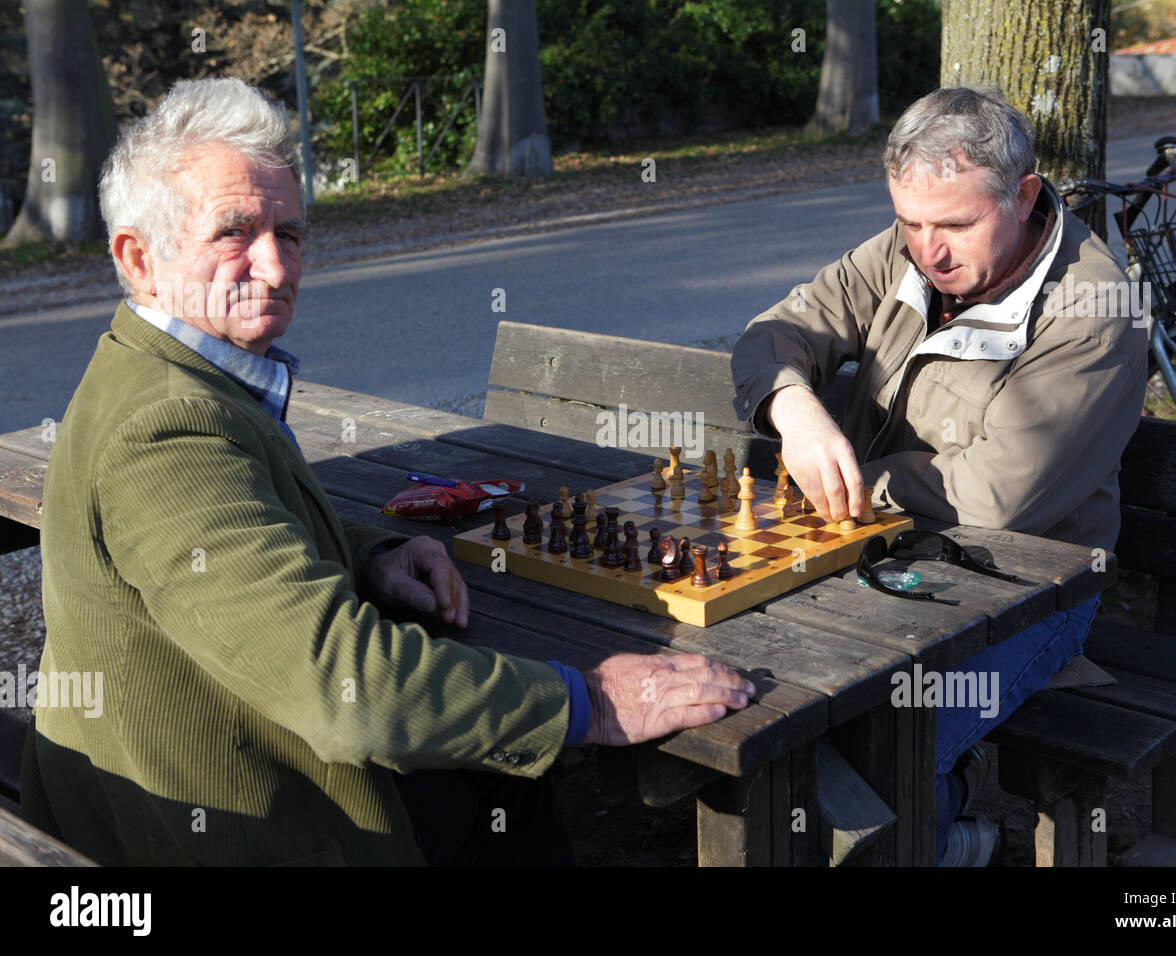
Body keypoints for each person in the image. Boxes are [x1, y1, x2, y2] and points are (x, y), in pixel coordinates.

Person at [22, 77, 754, 866]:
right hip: (220, 825)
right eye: (234, 233)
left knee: (499, 770)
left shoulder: (164, 370)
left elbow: (244, 531)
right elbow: (346, 694)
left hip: (178, 772)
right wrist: (593, 701)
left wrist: (369, 549)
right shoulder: (167, 429)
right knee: (508, 760)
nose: (274, 267)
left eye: (290, 233)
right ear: (140, 259)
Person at [731, 87, 1148, 865]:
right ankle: (941, 828)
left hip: (1028, 594)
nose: (929, 249)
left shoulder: (1095, 308)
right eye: (911, 222)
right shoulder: (906, 244)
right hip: (879, 556)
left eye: (955, 224)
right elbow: (776, 332)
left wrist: (852, 480)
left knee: (874, 759)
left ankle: (946, 824)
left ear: (1023, 197)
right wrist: (795, 409)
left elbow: (999, 497)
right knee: (761, 715)